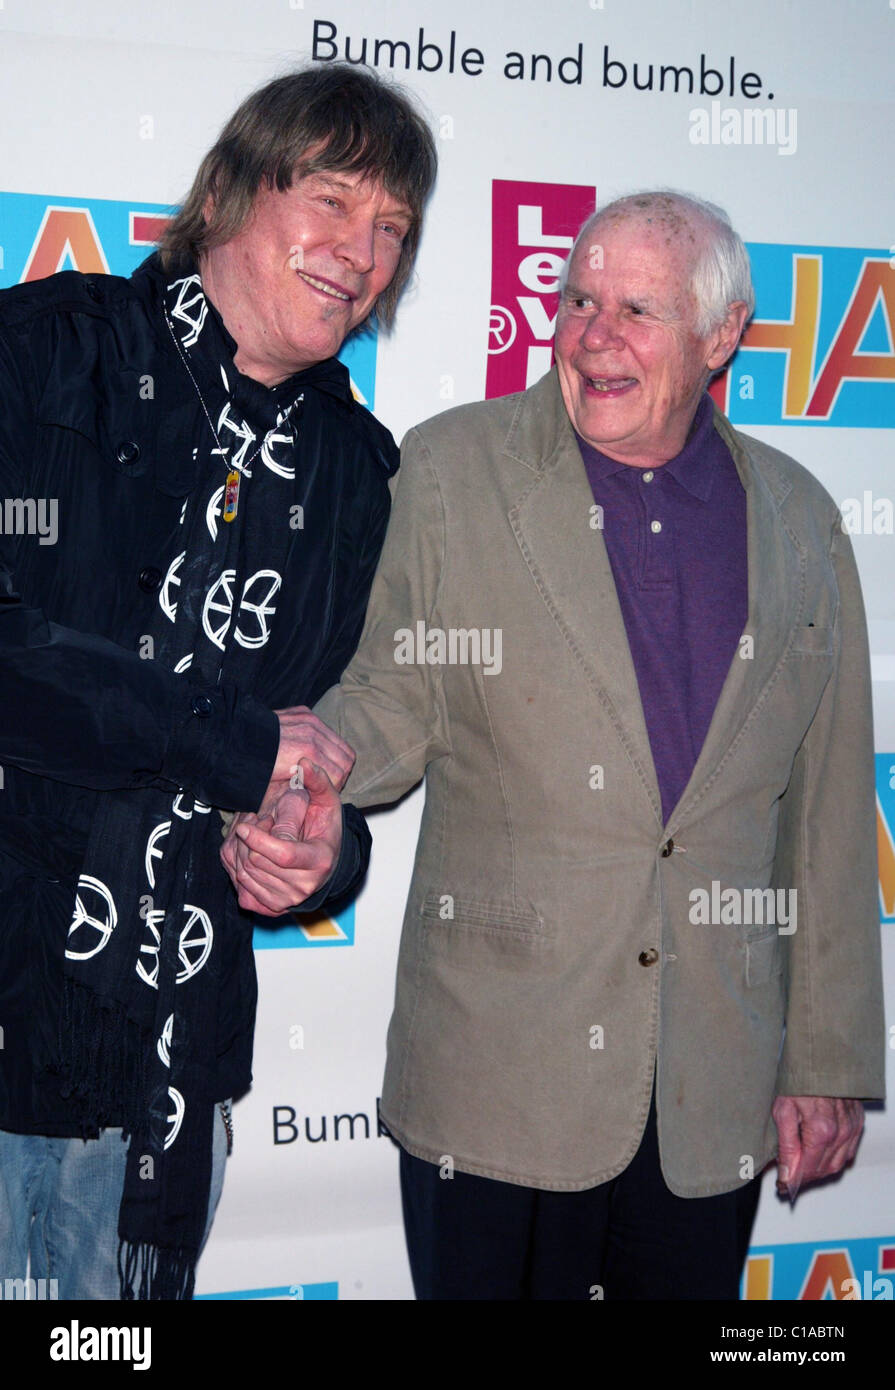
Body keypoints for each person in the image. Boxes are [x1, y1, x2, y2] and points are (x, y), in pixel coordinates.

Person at [224, 191, 885, 1301]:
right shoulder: (452, 468)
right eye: (577, 298)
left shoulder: (802, 518)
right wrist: (308, 773)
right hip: (497, 1079)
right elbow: (395, 686)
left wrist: (823, 1062)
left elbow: (823, 812)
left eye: (636, 308)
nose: (591, 334)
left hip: (706, 1091)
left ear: (722, 337)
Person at [0, 62, 436, 1300]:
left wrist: (319, 853)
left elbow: (323, 747)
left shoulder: (355, 470)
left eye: (394, 227)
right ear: (237, 188)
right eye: (337, 199)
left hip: (168, 1081)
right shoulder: (47, 358)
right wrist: (236, 750)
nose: (364, 250)